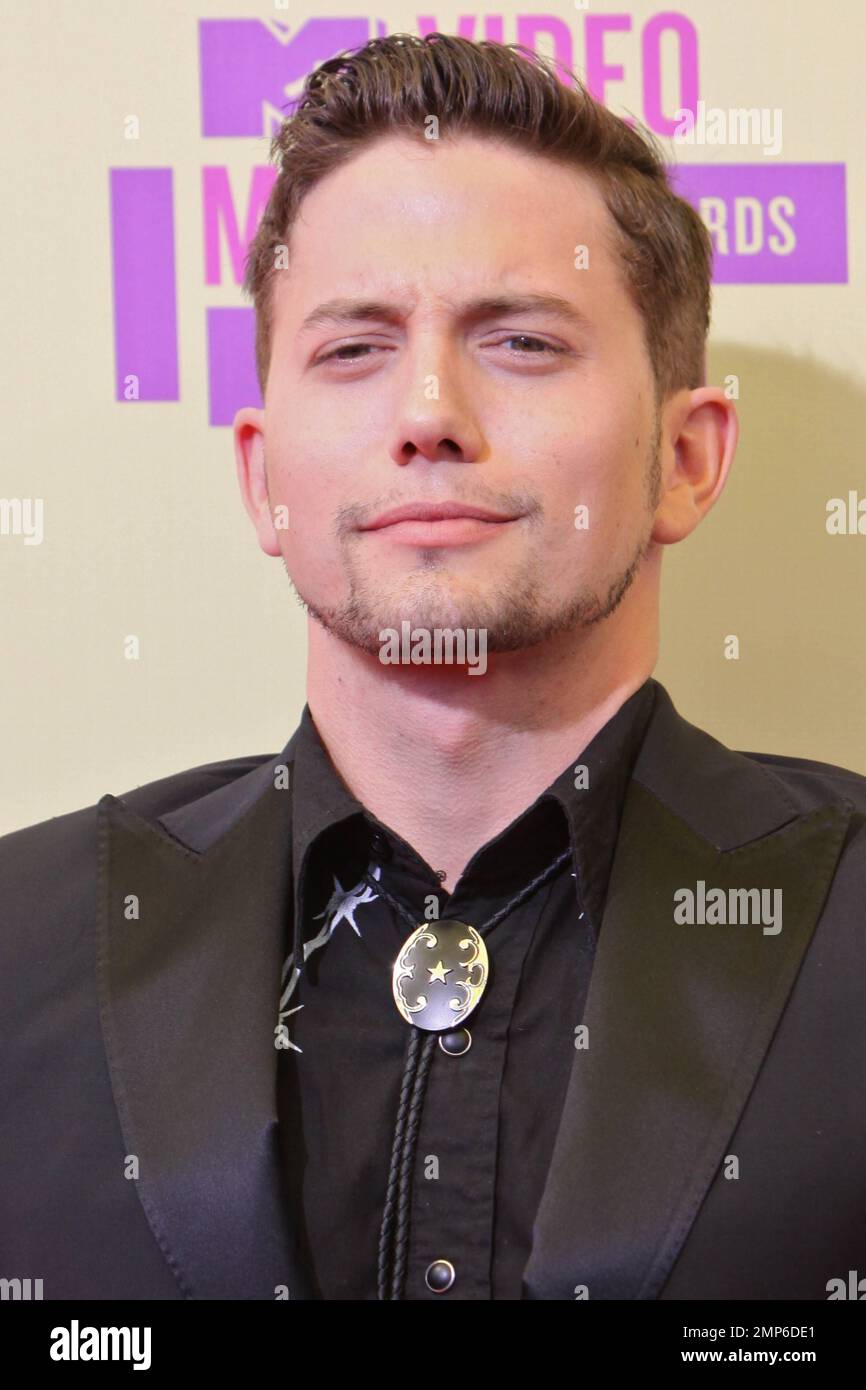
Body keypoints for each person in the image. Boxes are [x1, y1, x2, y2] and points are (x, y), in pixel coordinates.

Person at [2, 33, 864, 1303]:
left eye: (521, 342)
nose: (426, 414)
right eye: (353, 349)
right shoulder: (21, 936)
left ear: (684, 460)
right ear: (261, 476)